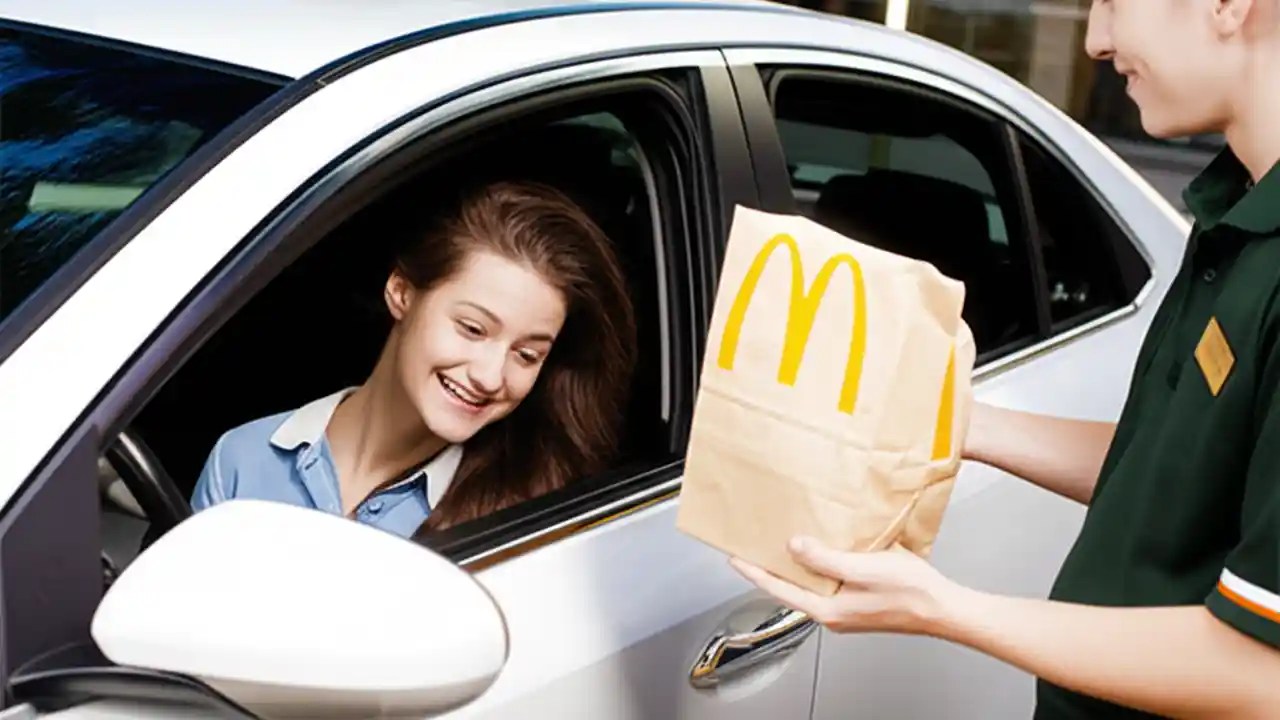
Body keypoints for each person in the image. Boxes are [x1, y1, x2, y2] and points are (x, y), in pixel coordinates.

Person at [732, 1, 1280, 717]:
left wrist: (942, 609)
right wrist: (960, 422)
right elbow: (1177, 463)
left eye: (1113, 2)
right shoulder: (1236, 213)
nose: (1095, 42)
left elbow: (1258, 672)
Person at [190, 180, 637, 538]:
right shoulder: (243, 458)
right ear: (401, 293)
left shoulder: (526, 515)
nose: (490, 375)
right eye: (473, 329)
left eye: (526, 354)